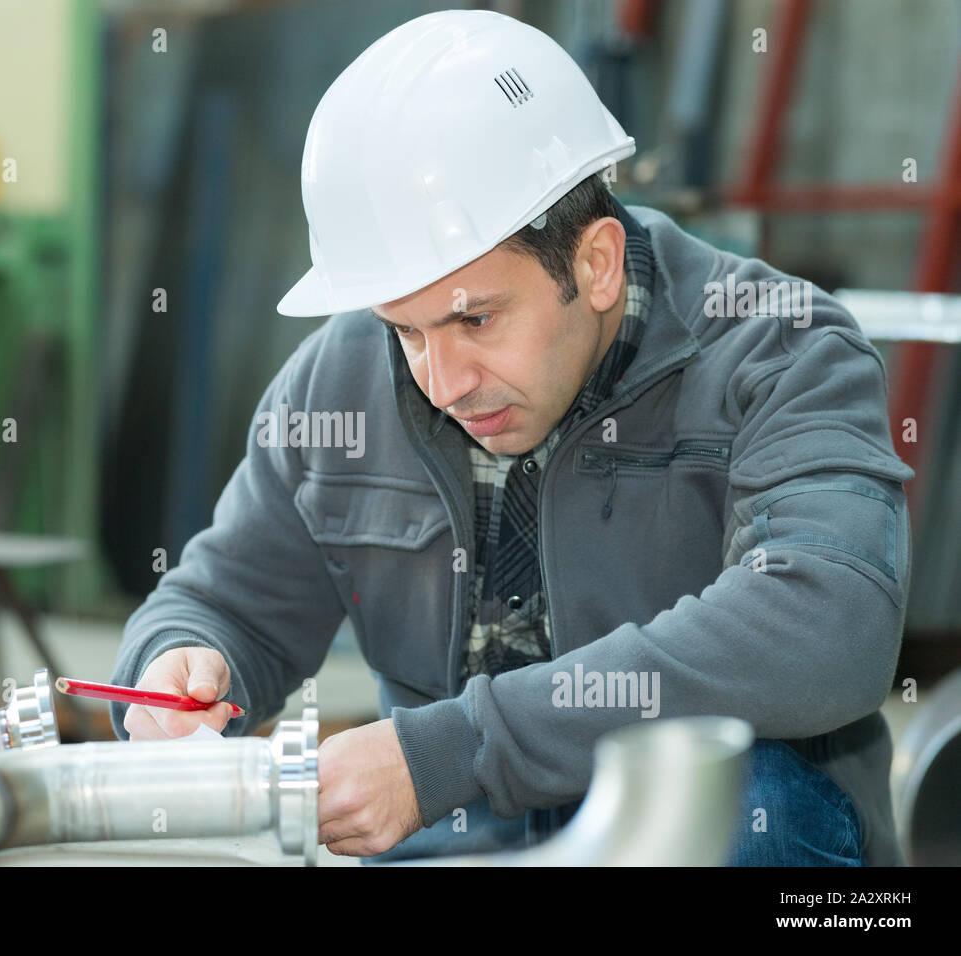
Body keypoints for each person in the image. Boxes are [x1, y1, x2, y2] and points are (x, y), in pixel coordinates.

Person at [109, 9, 913, 866]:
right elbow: (224, 601)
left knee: (736, 790)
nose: (442, 381)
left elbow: (829, 622)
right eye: (405, 330)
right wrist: (181, 663)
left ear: (596, 264)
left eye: (477, 319)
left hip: (719, 840)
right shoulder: (334, 386)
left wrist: (453, 751)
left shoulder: (780, 349)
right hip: (458, 846)